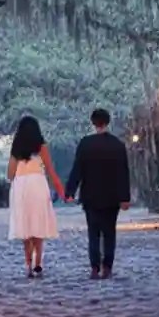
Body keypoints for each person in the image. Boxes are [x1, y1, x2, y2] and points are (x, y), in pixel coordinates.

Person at [65, 109, 130, 279]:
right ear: (108, 122)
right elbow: (123, 173)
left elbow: (77, 169)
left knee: (93, 233)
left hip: (91, 196)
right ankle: (107, 266)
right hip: (112, 196)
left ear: (93, 123)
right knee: (109, 233)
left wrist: (70, 191)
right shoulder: (117, 145)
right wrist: (125, 197)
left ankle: (94, 267)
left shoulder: (85, 144)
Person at [7, 116, 65, 278]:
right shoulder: (41, 147)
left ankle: (28, 264)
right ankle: (38, 261)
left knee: (25, 226)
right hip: (38, 184)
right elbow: (50, 170)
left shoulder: (16, 149)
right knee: (38, 223)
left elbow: (10, 174)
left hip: (21, 187)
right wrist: (61, 190)